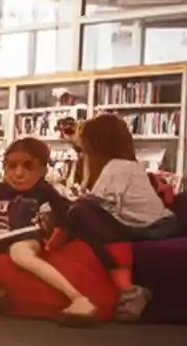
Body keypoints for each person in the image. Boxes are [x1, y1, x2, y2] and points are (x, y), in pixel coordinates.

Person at [0, 138, 96, 325]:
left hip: (28, 237)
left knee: (19, 252)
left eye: (28, 167)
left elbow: (66, 219)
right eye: (12, 167)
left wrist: (52, 225)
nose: (19, 173)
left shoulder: (46, 193)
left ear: (43, 170)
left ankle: (78, 298)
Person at [51, 114, 179, 322]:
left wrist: (67, 206)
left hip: (149, 227)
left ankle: (129, 290)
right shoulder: (125, 165)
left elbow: (99, 203)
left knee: (78, 213)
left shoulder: (116, 167)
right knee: (77, 210)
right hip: (157, 223)